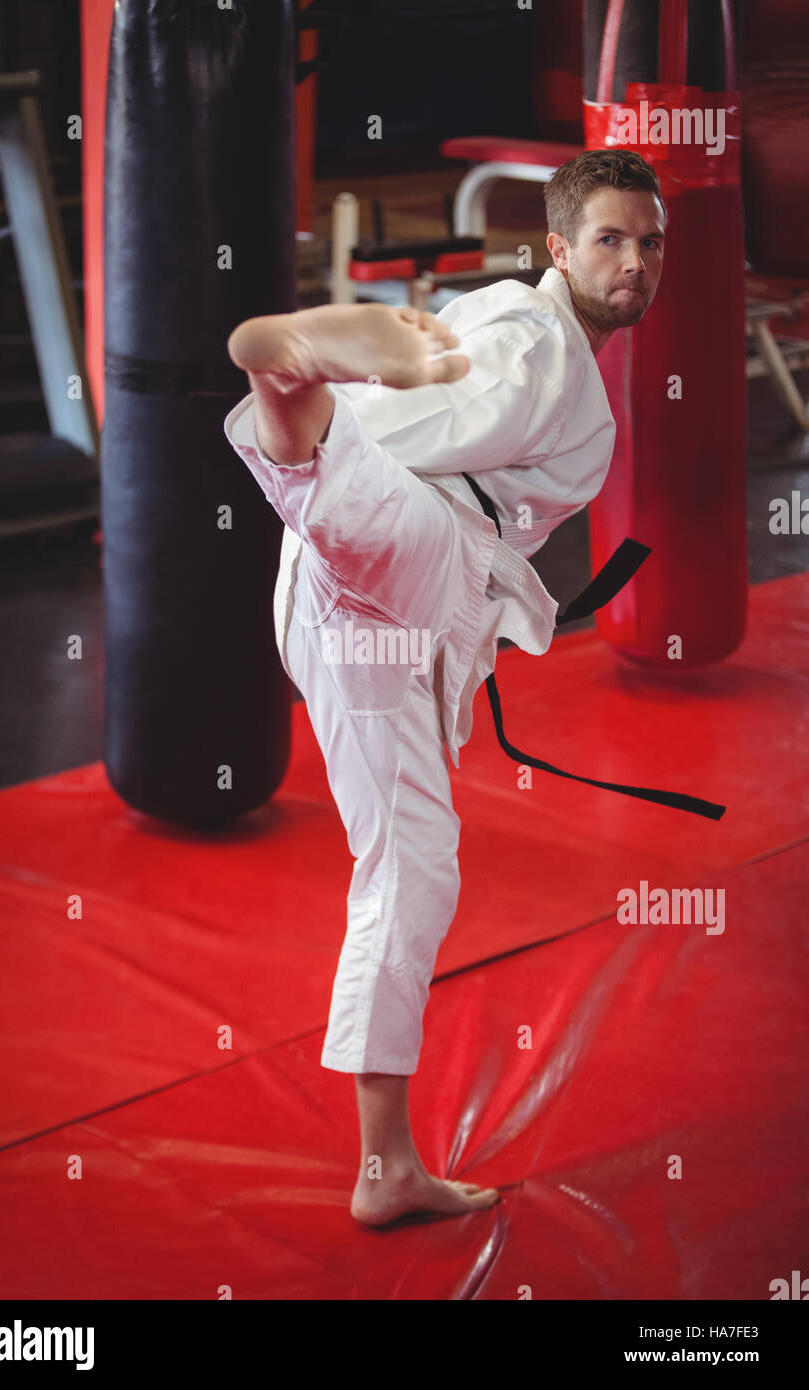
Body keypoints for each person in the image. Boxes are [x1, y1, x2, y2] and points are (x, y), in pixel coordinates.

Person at [224, 149, 666, 1226]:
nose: (634, 262)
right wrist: (367, 396)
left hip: (354, 601)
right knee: (404, 867)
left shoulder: (507, 316)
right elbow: (445, 415)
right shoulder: (536, 343)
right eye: (609, 238)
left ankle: (291, 391)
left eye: (650, 243)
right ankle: (297, 387)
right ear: (559, 246)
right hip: (413, 548)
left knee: (408, 862)